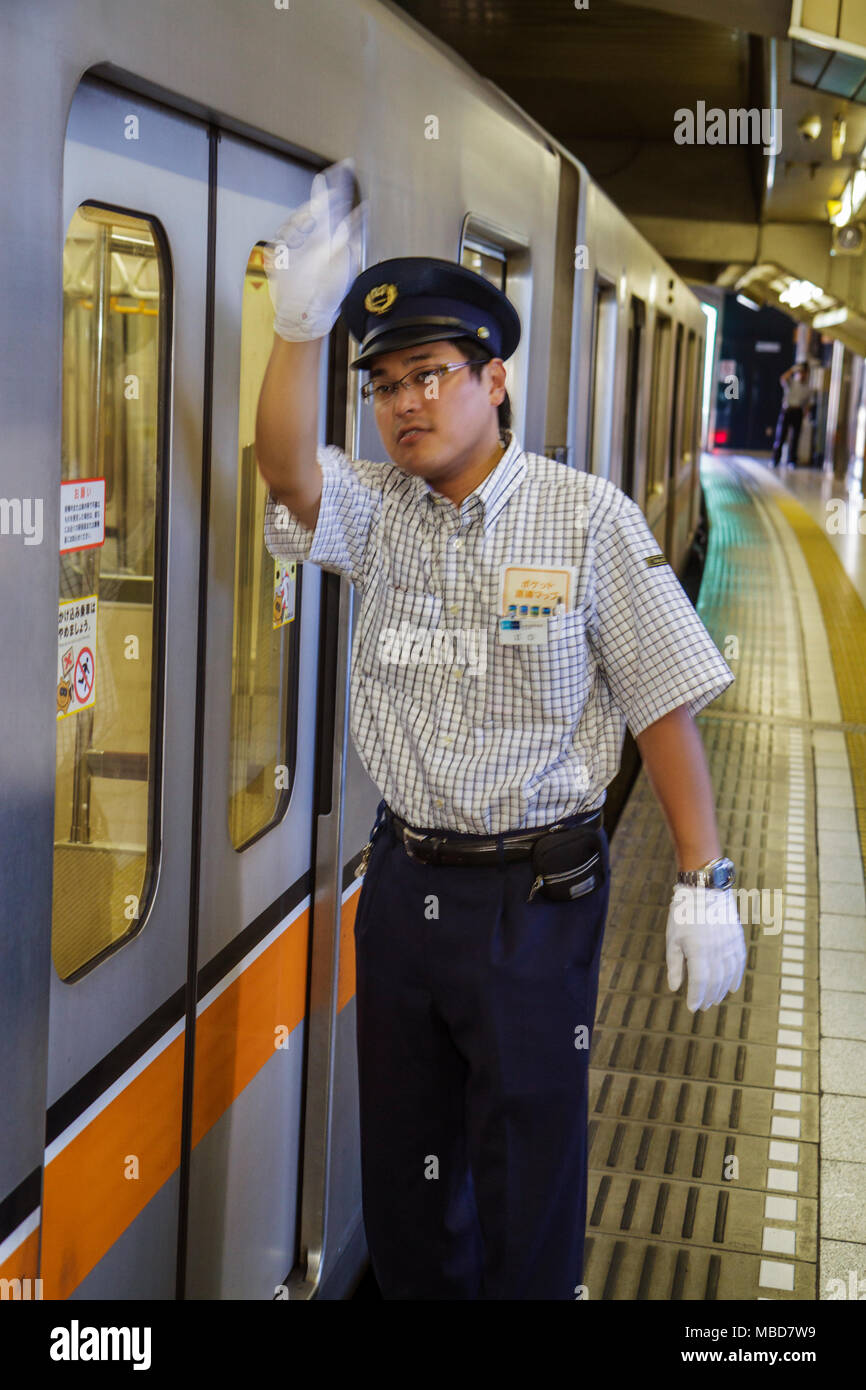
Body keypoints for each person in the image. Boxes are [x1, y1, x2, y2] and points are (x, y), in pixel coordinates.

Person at [256, 161, 747, 1301]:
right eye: (382, 387)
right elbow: (285, 468)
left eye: (429, 376)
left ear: (494, 379)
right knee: (405, 1187)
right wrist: (296, 323)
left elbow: (659, 699)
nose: (405, 406)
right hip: (402, 890)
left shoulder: (584, 519)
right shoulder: (379, 511)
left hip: (534, 903)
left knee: (525, 1175)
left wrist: (702, 875)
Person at [773, 361, 813, 467]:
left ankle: (792, 460)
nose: (803, 374)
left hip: (798, 411)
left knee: (795, 438)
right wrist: (793, 369)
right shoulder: (791, 382)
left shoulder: (808, 388)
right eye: (801, 372)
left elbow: (808, 403)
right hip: (787, 410)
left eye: (805, 372)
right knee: (781, 436)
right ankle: (776, 459)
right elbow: (783, 378)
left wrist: (806, 413)